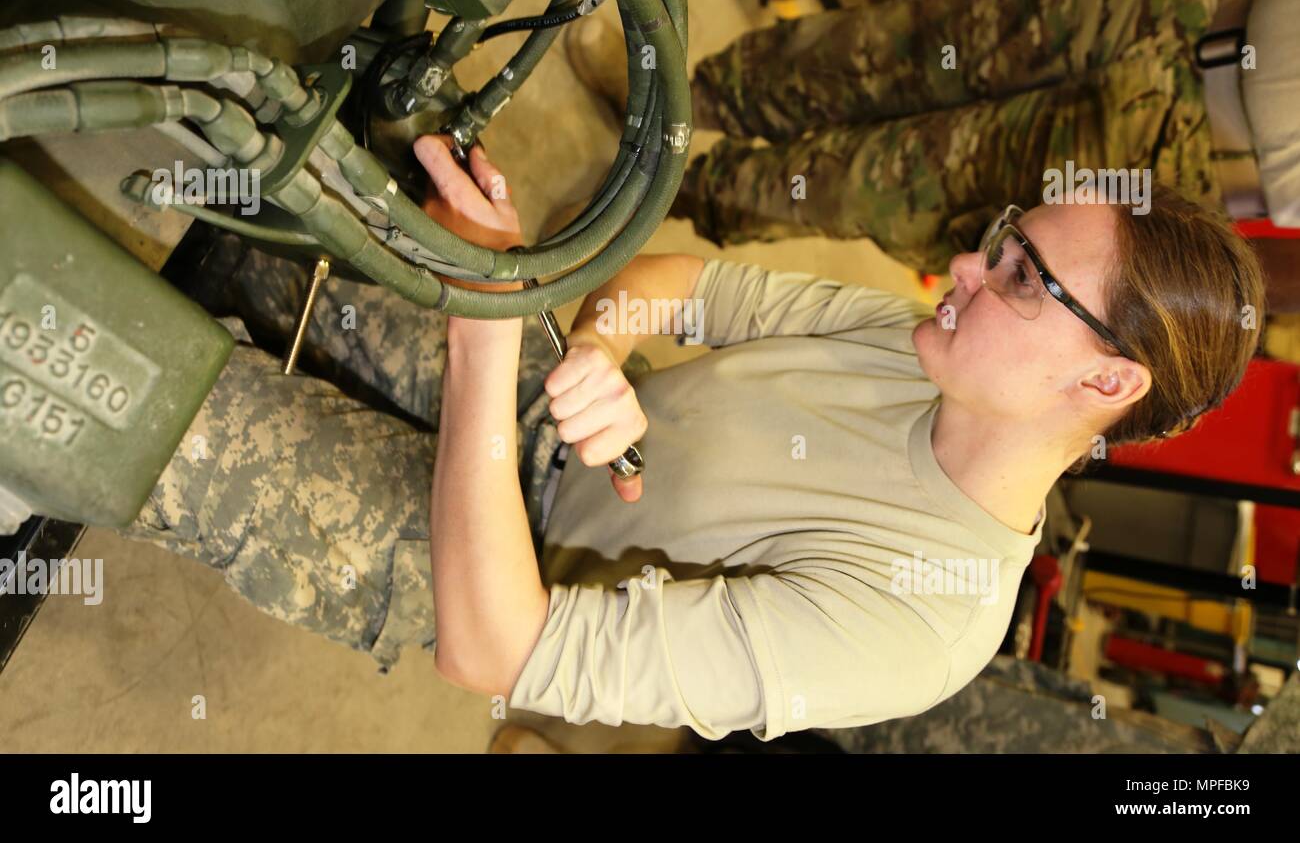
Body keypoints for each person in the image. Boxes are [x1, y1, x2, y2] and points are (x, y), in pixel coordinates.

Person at [123, 133, 1264, 740]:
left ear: (1104, 377)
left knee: (146, 400)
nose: (969, 266)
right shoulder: (918, 341)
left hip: (486, 582)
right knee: (278, 220)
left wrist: (487, 334)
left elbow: (499, 654)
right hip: (541, 420)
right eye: (1002, 238)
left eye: (1024, 275)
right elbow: (678, 282)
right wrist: (601, 356)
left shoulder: (922, 624)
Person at [621, 0, 1298, 309]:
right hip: (1198, 0)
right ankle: (680, 96)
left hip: (1187, 158)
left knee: (884, 188)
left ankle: (664, 185)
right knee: (905, 41)